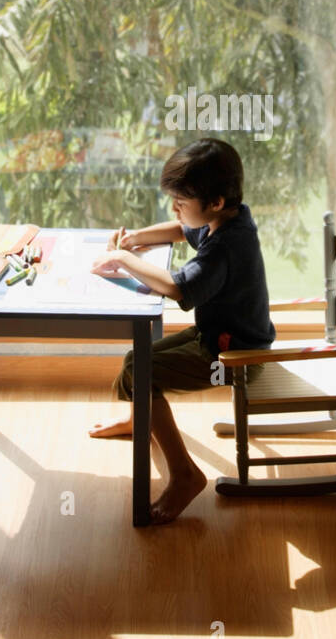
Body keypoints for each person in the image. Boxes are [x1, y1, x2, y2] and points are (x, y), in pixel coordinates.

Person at [88, 136, 275, 525]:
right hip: (220, 334)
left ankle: (186, 476)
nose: (175, 207)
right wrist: (138, 237)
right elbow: (179, 229)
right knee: (133, 361)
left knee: (141, 371)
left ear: (215, 203)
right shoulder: (224, 219)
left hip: (235, 355)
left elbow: (178, 288)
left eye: (181, 200)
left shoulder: (225, 245)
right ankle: (143, 418)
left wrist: (123, 258)